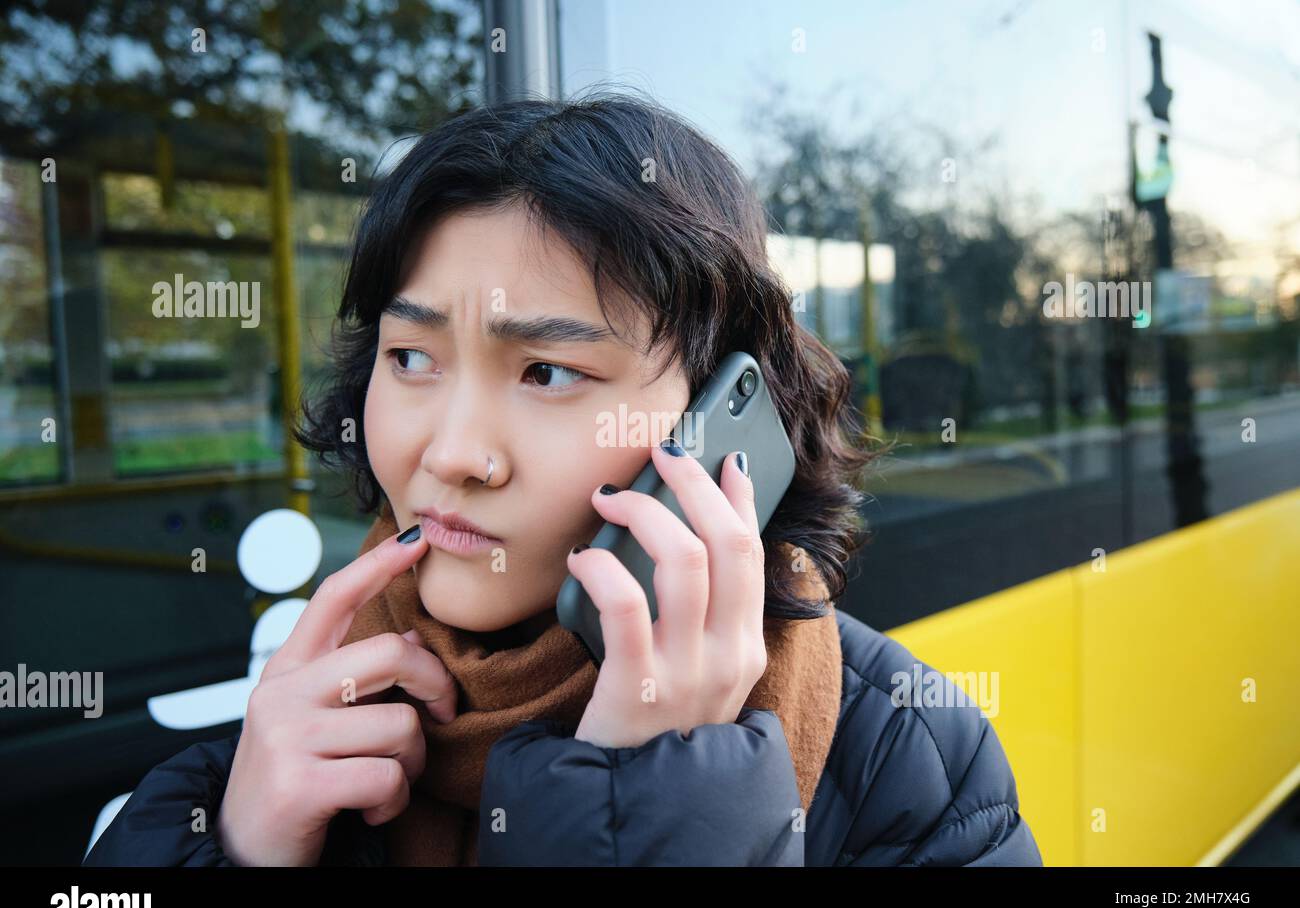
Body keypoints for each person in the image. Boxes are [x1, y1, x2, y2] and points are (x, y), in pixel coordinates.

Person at [84, 91, 1042, 867]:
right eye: (411, 357)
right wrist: (237, 849)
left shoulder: (906, 758)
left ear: (720, 422)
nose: (451, 453)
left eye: (546, 372)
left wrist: (662, 804)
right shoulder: (290, 741)